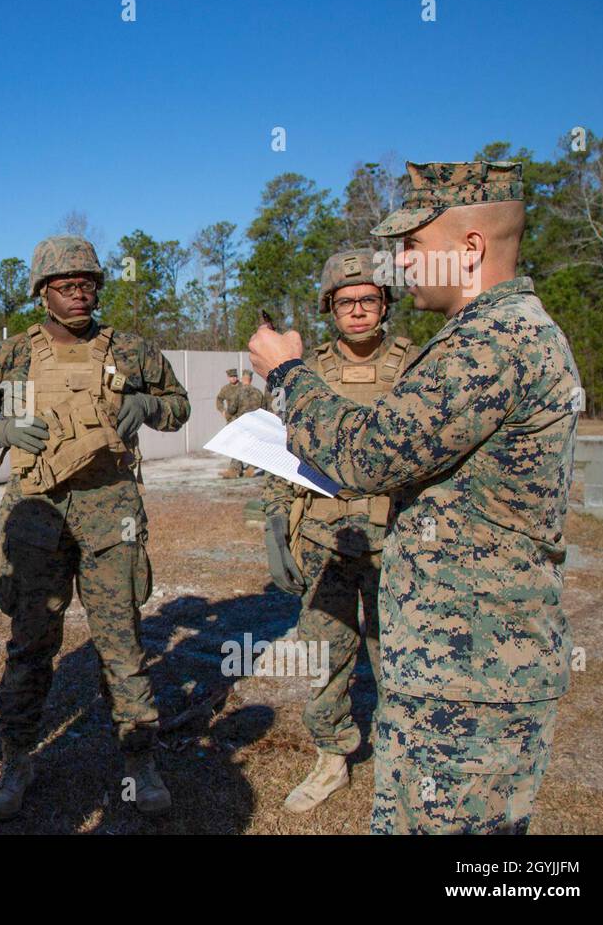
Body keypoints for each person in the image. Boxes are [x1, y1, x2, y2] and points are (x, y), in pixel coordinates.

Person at [249, 161, 580, 834]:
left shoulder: (495, 342)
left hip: (472, 670)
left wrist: (286, 373)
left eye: (412, 247)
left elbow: (367, 455)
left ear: (470, 249)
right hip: (459, 661)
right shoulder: (489, 334)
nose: (400, 265)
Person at [0, 235, 191, 821]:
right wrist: (4, 431)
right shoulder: (8, 359)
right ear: (42, 294)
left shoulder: (130, 350)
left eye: (88, 285)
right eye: (66, 286)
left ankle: (139, 762)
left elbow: (179, 403)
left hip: (112, 513)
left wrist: (149, 408)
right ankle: (17, 759)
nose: (79, 295)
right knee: (30, 646)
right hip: (38, 517)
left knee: (122, 644)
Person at [262, 249, 419, 814]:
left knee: (397, 655)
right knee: (326, 653)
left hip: (397, 540)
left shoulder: (416, 365)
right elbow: (275, 451)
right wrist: (275, 522)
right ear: (330, 308)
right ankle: (332, 757)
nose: (358, 310)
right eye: (346, 301)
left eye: (368, 299)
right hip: (324, 538)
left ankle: (406, 763)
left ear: (385, 304)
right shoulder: (303, 376)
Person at [215, 367, 242, 478]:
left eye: (235, 376)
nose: (233, 378)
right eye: (231, 377)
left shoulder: (242, 387)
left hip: (241, 418)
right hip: (231, 419)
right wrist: (222, 411)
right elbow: (219, 399)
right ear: (228, 378)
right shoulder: (226, 389)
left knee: (241, 443)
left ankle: (236, 468)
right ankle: (236, 467)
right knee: (233, 443)